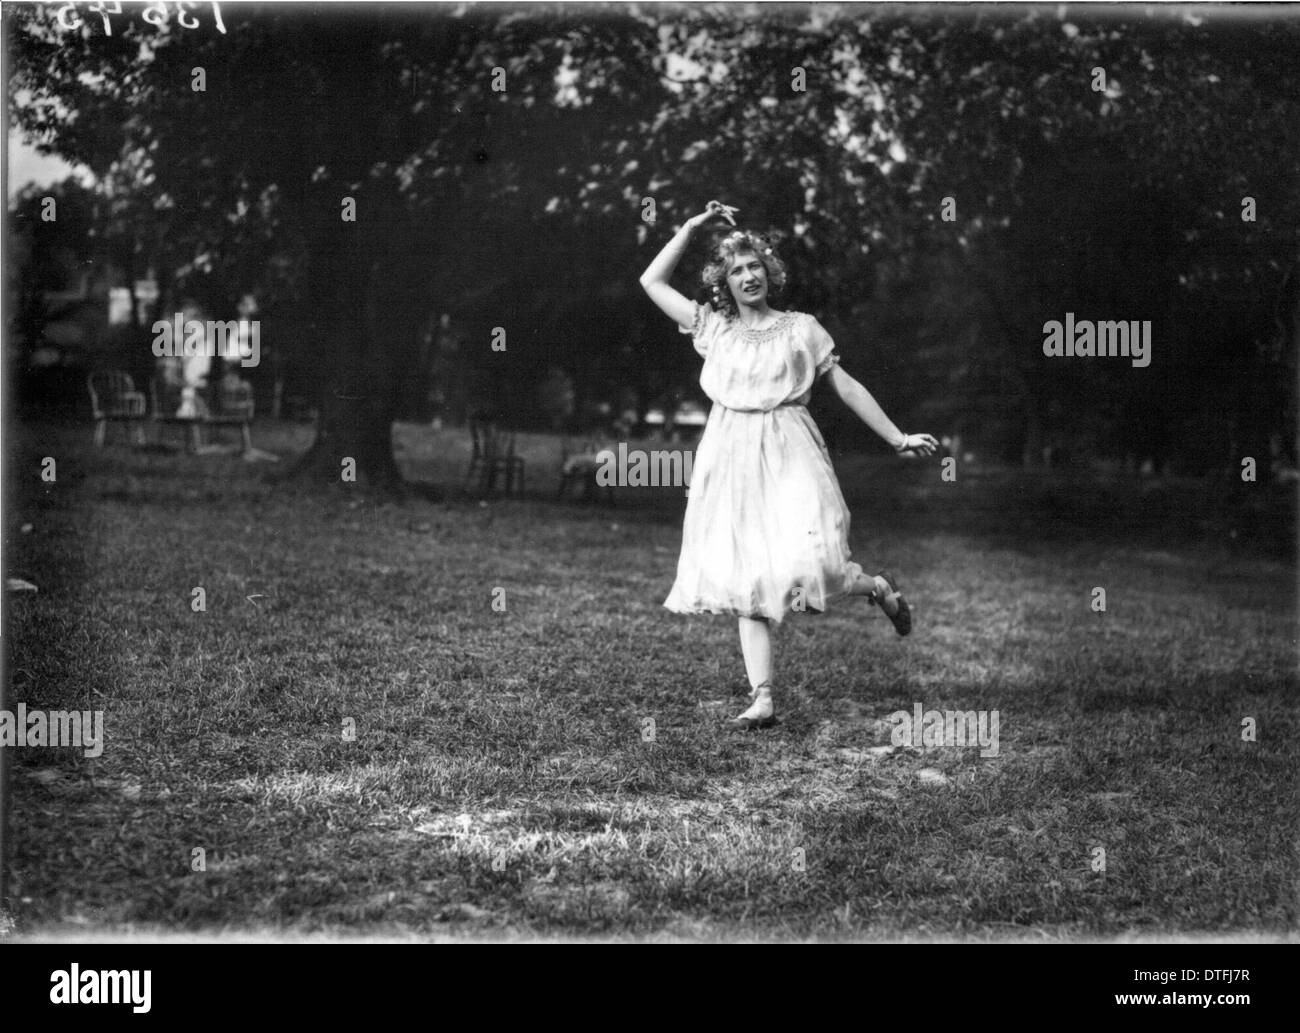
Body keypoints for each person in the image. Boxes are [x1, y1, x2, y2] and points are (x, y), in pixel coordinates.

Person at [639, 201, 939, 729]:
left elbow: (844, 385)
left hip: (789, 445)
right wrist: (689, 228)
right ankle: (763, 697)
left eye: (755, 266)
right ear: (724, 282)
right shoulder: (713, 328)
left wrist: (897, 437)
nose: (748, 275)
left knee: (815, 565)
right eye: (736, 270)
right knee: (746, 575)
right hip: (729, 450)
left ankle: (878, 589)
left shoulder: (801, 329)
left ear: (769, 273)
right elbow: (652, 281)